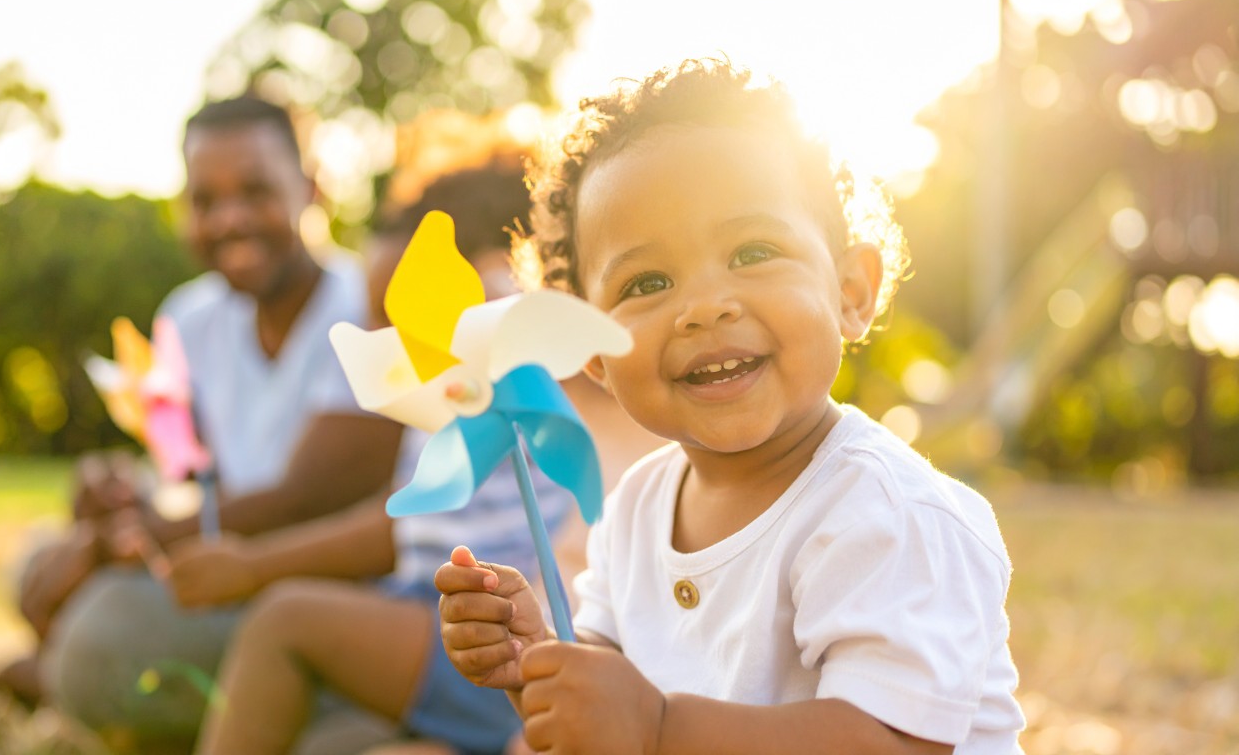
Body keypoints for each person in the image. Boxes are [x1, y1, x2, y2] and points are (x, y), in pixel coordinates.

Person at [435, 58, 1026, 755]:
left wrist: (656, 729)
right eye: (648, 280)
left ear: (851, 290)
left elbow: (888, 743)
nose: (704, 306)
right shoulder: (636, 507)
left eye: (753, 251)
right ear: (591, 351)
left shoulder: (888, 513)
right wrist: (541, 653)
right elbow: (611, 681)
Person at [0, 96, 404, 750]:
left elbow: (308, 497)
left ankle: (307, 709)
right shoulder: (189, 318)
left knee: (97, 636)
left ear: (311, 188)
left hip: (314, 586)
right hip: (225, 570)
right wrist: (124, 500)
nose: (230, 220)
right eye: (206, 200)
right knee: (33, 560)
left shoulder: (366, 304)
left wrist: (119, 541)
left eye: (255, 191)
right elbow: (193, 481)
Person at [180, 125, 577, 755]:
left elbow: (403, 524)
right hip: (439, 623)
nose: (378, 336)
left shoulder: (507, 373)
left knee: (286, 618)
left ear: (494, 286)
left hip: (506, 637)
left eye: (391, 317)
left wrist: (251, 566)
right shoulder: (449, 399)